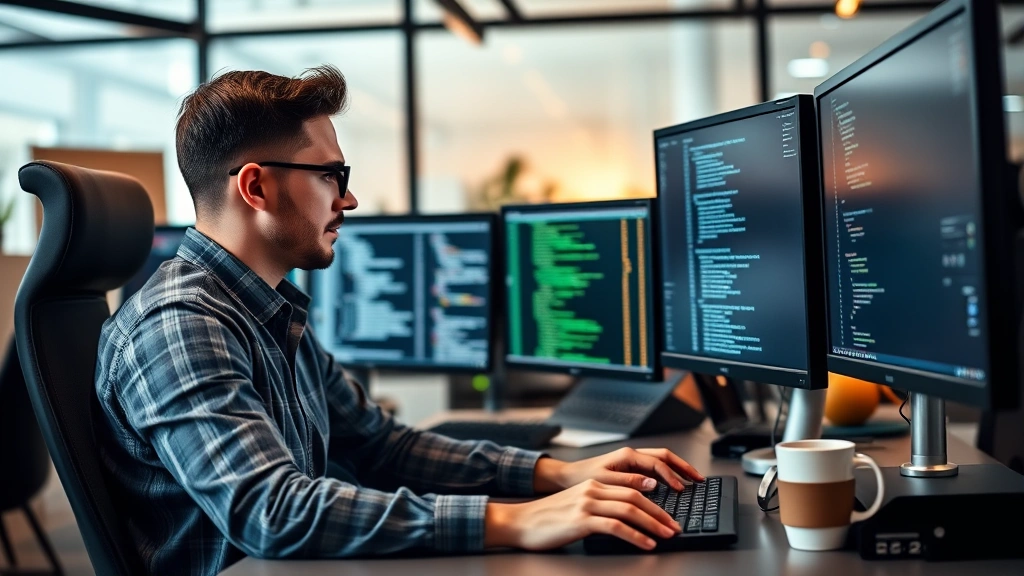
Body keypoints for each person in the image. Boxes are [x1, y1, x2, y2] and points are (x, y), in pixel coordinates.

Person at [94, 65, 703, 576]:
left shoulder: (267, 310)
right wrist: (516, 519)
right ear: (255, 187)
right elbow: (270, 511)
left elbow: (381, 445)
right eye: (331, 175)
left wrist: (554, 476)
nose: (348, 198)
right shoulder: (179, 324)